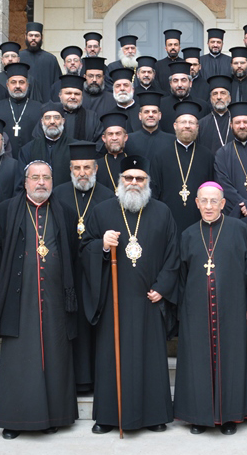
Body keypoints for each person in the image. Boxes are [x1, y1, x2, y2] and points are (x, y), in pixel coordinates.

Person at [81, 156, 179, 433]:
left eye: (139, 179)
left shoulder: (162, 212)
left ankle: (154, 416)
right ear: (119, 181)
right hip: (114, 300)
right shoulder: (102, 212)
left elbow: (174, 254)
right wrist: (101, 244)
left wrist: (162, 286)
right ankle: (109, 418)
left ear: (148, 182)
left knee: (151, 359)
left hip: (149, 300)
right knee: (111, 359)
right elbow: (84, 248)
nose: (133, 183)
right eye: (129, 178)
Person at [0, 160, 79, 438]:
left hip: (54, 296)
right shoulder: (6, 210)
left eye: (47, 178)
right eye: (36, 177)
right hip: (20, 295)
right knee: (19, 358)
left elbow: (72, 253)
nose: (41, 183)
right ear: (25, 181)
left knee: (54, 355)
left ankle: (53, 416)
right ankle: (15, 420)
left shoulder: (64, 211)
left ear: (53, 181)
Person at [175, 182, 247, 435]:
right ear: (196, 203)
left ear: (223, 203)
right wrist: (183, 310)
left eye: (214, 201)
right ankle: (198, 416)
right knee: (197, 363)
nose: (208, 206)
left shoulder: (239, 229)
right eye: (203, 201)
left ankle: (229, 417)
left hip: (232, 307)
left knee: (231, 362)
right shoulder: (188, 234)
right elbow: (181, 277)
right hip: (196, 311)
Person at [52, 142, 116, 393]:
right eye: (77, 168)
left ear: (96, 168)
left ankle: (97, 378)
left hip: (97, 273)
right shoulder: (58, 193)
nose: (82, 173)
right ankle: (73, 380)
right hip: (67, 272)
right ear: (70, 169)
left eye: (87, 167)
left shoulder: (108, 196)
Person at [150, 101, 216, 233]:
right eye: (183, 122)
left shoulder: (207, 155)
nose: (187, 126)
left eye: (191, 123)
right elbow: (154, 193)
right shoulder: (161, 156)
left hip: (200, 222)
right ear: (175, 126)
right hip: (168, 223)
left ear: (197, 127)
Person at [0, 62, 44, 154]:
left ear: (27, 85)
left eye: (21, 82)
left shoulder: (39, 108)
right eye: (13, 82)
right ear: (7, 85)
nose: (17, 86)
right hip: (4, 161)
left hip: (32, 159)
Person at [20, 103, 74, 185]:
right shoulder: (28, 149)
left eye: (56, 117)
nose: (52, 122)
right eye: (47, 118)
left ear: (63, 121)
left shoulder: (75, 147)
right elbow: (21, 183)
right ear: (42, 122)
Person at [47, 74, 103, 143]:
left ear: (82, 97)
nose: (73, 97)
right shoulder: (50, 117)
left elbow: (100, 141)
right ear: (60, 95)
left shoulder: (92, 117)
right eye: (68, 93)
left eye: (77, 94)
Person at [160, 61, 210, 132]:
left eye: (183, 80)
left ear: (190, 83)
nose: (179, 85)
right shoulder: (161, 105)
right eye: (175, 80)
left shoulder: (202, 106)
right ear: (170, 83)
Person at [19, 22, 62, 102]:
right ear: (25, 36)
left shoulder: (51, 59)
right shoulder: (19, 57)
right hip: (24, 104)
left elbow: (57, 85)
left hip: (46, 105)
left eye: (37, 36)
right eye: (31, 35)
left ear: (42, 37)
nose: (33, 38)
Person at [94, 112, 134, 191]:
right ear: (104, 138)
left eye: (118, 134)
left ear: (125, 137)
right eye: (110, 134)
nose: (114, 138)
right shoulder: (96, 166)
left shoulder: (134, 164)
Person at [126, 91, 173, 155]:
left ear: (160, 115)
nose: (150, 115)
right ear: (140, 116)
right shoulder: (129, 140)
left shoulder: (171, 140)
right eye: (146, 112)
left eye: (154, 112)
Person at [197, 75, 233, 151]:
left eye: (223, 93)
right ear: (210, 99)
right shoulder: (201, 125)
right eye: (215, 94)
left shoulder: (238, 122)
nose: (219, 97)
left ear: (229, 98)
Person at [109, 67, 140, 132]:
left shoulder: (143, 113)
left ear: (133, 89)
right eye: (118, 86)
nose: (122, 89)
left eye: (126, 85)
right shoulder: (110, 116)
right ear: (113, 90)